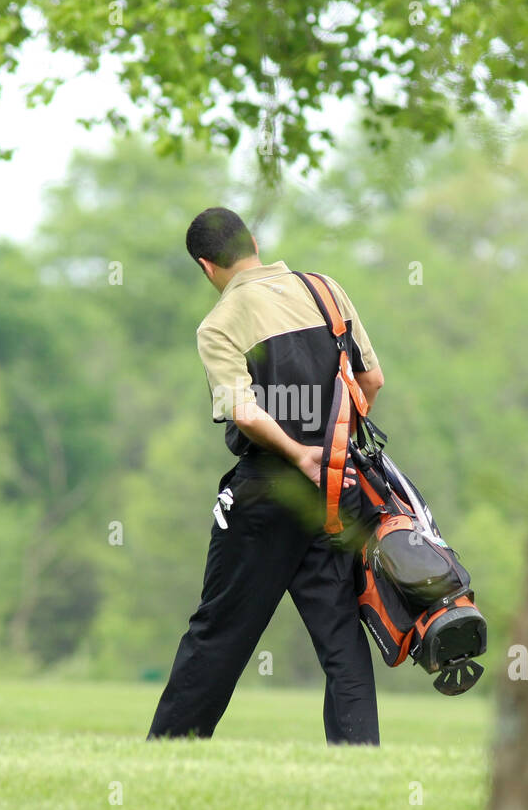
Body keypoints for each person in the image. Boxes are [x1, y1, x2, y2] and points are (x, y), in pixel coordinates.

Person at [147, 207, 385, 745]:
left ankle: (169, 749)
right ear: (253, 241)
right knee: (341, 637)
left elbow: (246, 412)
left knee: (220, 631)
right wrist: (332, 449)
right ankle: (359, 761)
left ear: (206, 266)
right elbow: (372, 379)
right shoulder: (326, 290)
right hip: (336, 491)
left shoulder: (219, 324)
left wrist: (299, 455)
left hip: (266, 493)